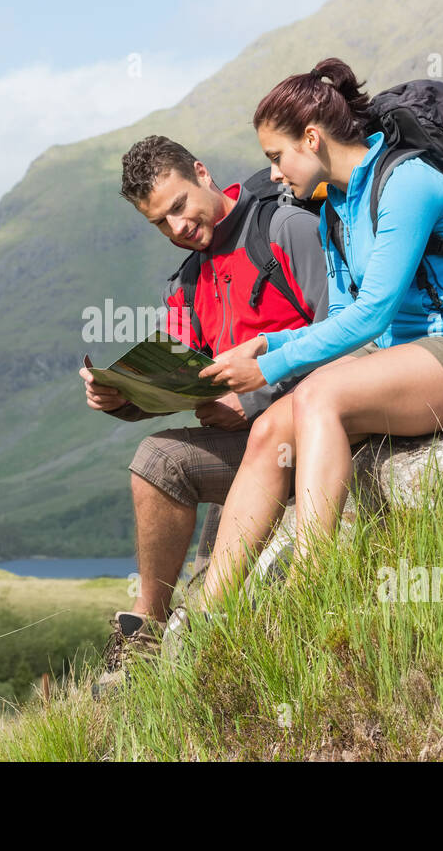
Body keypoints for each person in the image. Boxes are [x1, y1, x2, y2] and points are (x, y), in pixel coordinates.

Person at [193, 57, 443, 611]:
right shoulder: (335, 208)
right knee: (272, 426)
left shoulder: (407, 184)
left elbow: (371, 313)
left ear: (312, 139)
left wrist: (269, 369)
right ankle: (210, 615)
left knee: (318, 394)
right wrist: (270, 344)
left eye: (276, 157)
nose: (273, 174)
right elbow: (338, 321)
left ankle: (311, 589)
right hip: (400, 355)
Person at [78, 134, 328, 687]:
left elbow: (353, 334)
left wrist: (257, 398)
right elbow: (173, 380)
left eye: (179, 207)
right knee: (155, 458)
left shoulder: (285, 229)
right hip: (250, 448)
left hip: (321, 431)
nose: (177, 229)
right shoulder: (187, 283)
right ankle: (144, 636)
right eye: (159, 224)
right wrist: (121, 398)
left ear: (201, 173)